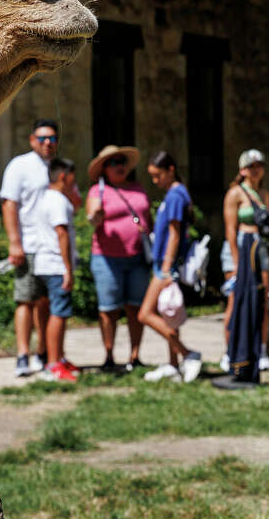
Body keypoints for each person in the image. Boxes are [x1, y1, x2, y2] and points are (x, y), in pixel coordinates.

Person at [0, 119, 80, 377]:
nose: (48, 143)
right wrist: (15, 243)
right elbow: (9, 204)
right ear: (32, 139)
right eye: (43, 138)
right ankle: (23, 355)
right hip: (28, 245)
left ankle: (44, 354)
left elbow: (74, 202)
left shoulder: (60, 168)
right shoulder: (20, 165)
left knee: (46, 303)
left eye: (53, 139)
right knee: (25, 300)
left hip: (51, 249)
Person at [136, 151, 203, 383]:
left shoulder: (175, 196)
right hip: (163, 263)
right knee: (168, 315)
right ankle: (173, 365)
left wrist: (165, 269)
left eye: (157, 176)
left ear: (170, 170)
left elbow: (175, 235)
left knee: (145, 314)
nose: (155, 181)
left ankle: (188, 354)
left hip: (165, 265)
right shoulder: (173, 195)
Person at [85, 144, 151, 372]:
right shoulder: (98, 191)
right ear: (104, 169)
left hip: (138, 257)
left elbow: (147, 218)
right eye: (114, 162)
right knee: (108, 309)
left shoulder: (138, 188)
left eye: (122, 161)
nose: (120, 166)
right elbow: (92, 217)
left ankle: (135, 355)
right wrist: (96, 216)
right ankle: (109, 356)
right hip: (107, 258)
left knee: (136, 308)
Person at [221, 149, 269, 375]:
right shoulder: (235, 194)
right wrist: (235, 263)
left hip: (259, 249)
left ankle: (259, 350)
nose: (256, 169)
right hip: (240, 249)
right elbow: (230, 230)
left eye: (259, 164)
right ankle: (230, 351)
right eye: (251, 166)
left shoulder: (265, 194)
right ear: (242, 169)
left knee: (262, 299)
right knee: (236, 301)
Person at [36, 158, 79, 382]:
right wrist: (68, 269)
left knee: (55, 311)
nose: (75, 181)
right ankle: (53, 364)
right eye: (73, 176)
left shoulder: (45, 198)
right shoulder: (59, 200)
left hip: (44, 263)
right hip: (56, 265)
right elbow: (62, 234)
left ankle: (58, 358)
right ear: (64, 176)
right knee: (59, 314)